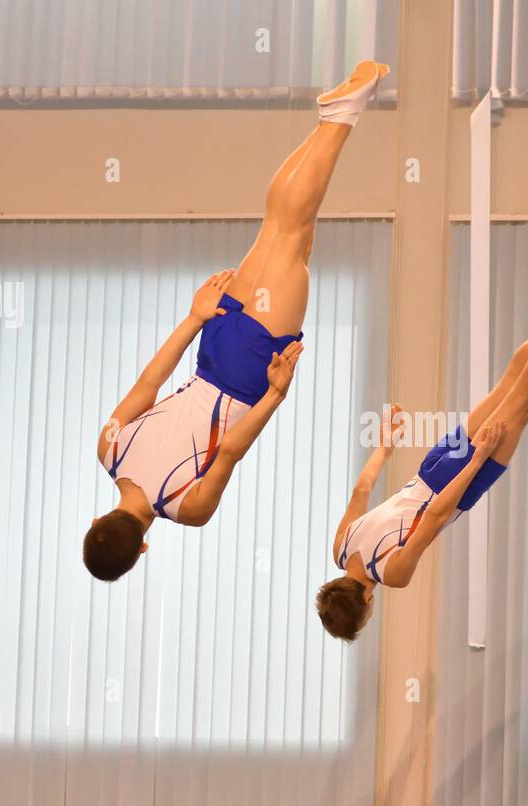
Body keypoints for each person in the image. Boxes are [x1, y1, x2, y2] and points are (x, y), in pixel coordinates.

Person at [85, 60, 390, 581]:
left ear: (141, 552)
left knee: (291, 237)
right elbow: (149, 382)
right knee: (282, 228)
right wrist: (194, 317)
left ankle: (340, 117)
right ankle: (327, 122)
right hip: (210, 347)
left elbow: (230, 448)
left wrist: (275, 394)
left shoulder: (188, 509)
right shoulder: (108, 447)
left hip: (247, 376)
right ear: (97, 519)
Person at [317, 264, 528, 639]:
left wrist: (478, 459)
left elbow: (435, 516)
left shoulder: (392, 574)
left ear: (366, 604)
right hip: (430, 467)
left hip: (457, 483)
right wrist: (385, 448)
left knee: (527, 393)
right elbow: (361, 490)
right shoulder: (340, 548)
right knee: (511, 381)